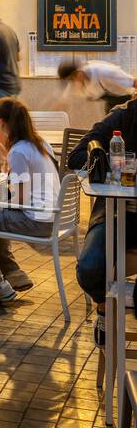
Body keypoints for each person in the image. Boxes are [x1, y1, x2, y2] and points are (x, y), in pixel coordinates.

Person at [0, 97, 60, 303]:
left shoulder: (19, 151)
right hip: (51, 217)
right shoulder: (39, 143)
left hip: (36, 221)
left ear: (3, 123)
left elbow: (19, 200)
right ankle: (11, 272)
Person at [69, 96, 137, 352]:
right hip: (115, 214)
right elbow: (75, 156)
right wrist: (113, 166)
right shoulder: (122, 117)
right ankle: (104, 306)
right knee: (89, 268)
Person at [58, 59, 136, 117]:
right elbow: (64, 99)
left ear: (78, 72)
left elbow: (134, 82)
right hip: (111, 101)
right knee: (109, 125)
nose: (72, 83)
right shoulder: (77, 79)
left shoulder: (105, 72)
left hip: (126, 98)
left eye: (72, 79)